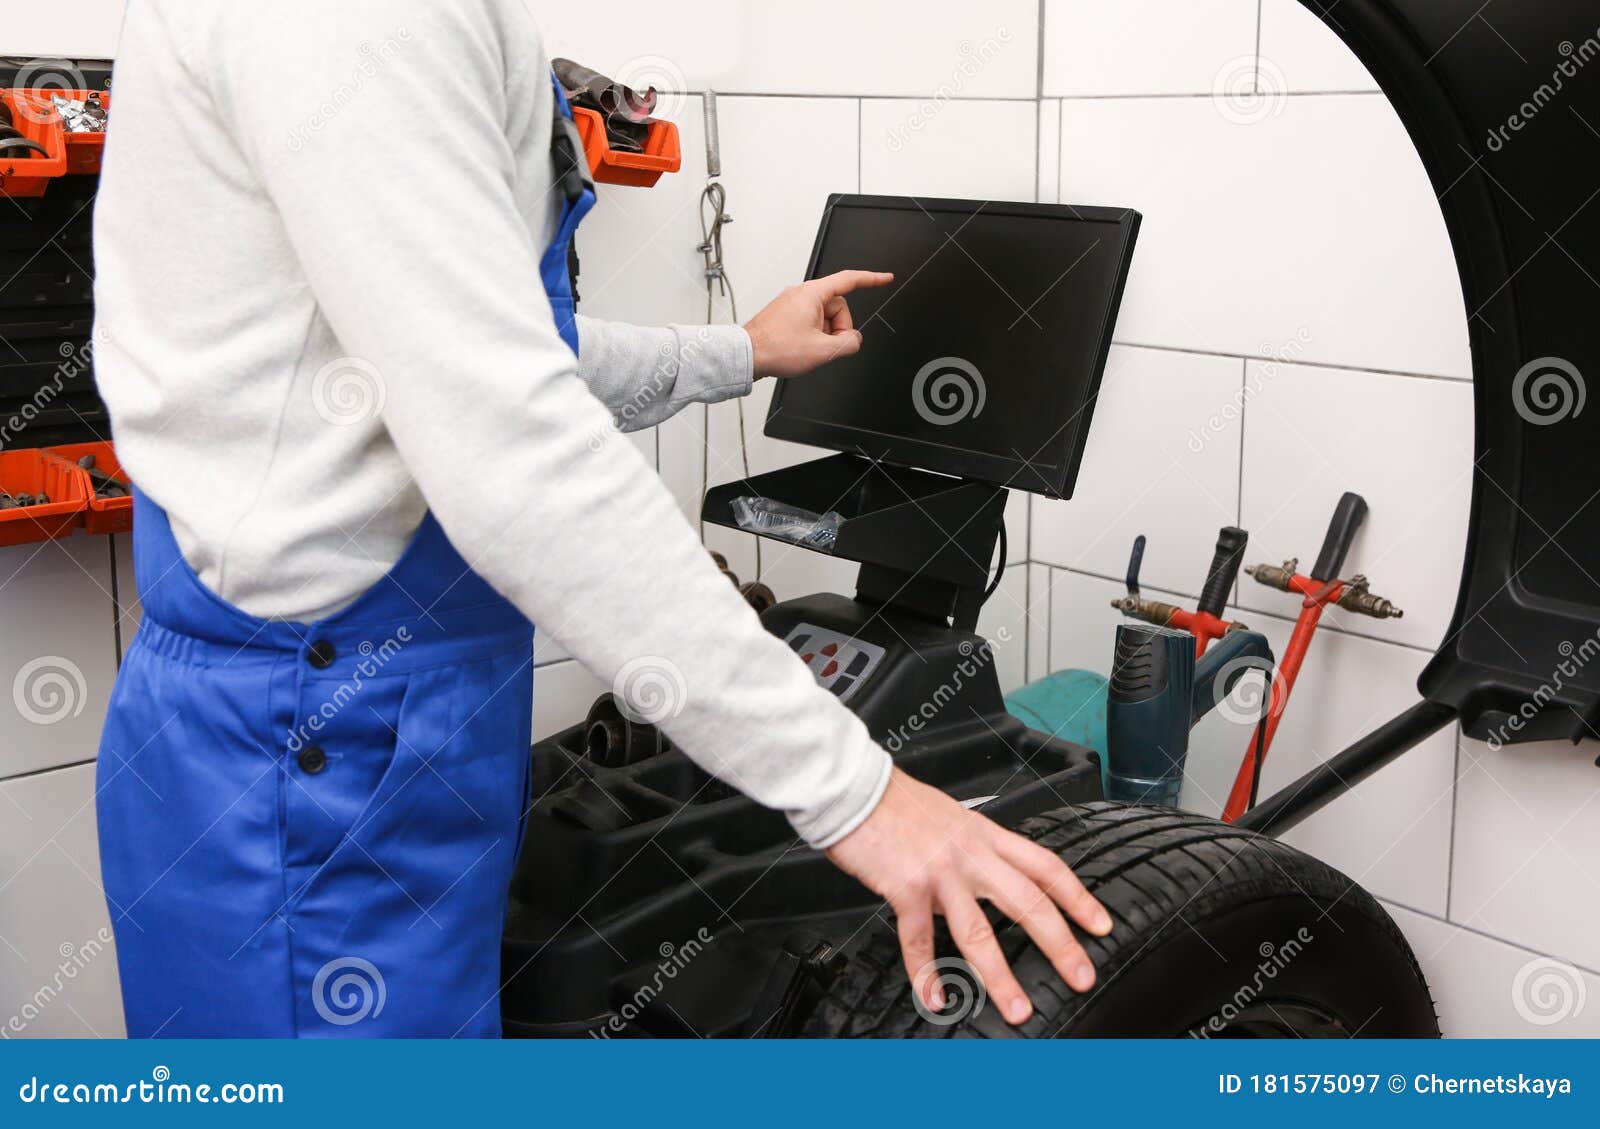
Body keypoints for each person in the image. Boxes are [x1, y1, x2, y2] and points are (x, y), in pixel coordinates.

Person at [91, 0, 1111, 1037]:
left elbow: (479, 352)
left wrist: (741, 352)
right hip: (313, 754)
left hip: (351, 725)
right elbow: (507, 437)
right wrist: (861, 798)